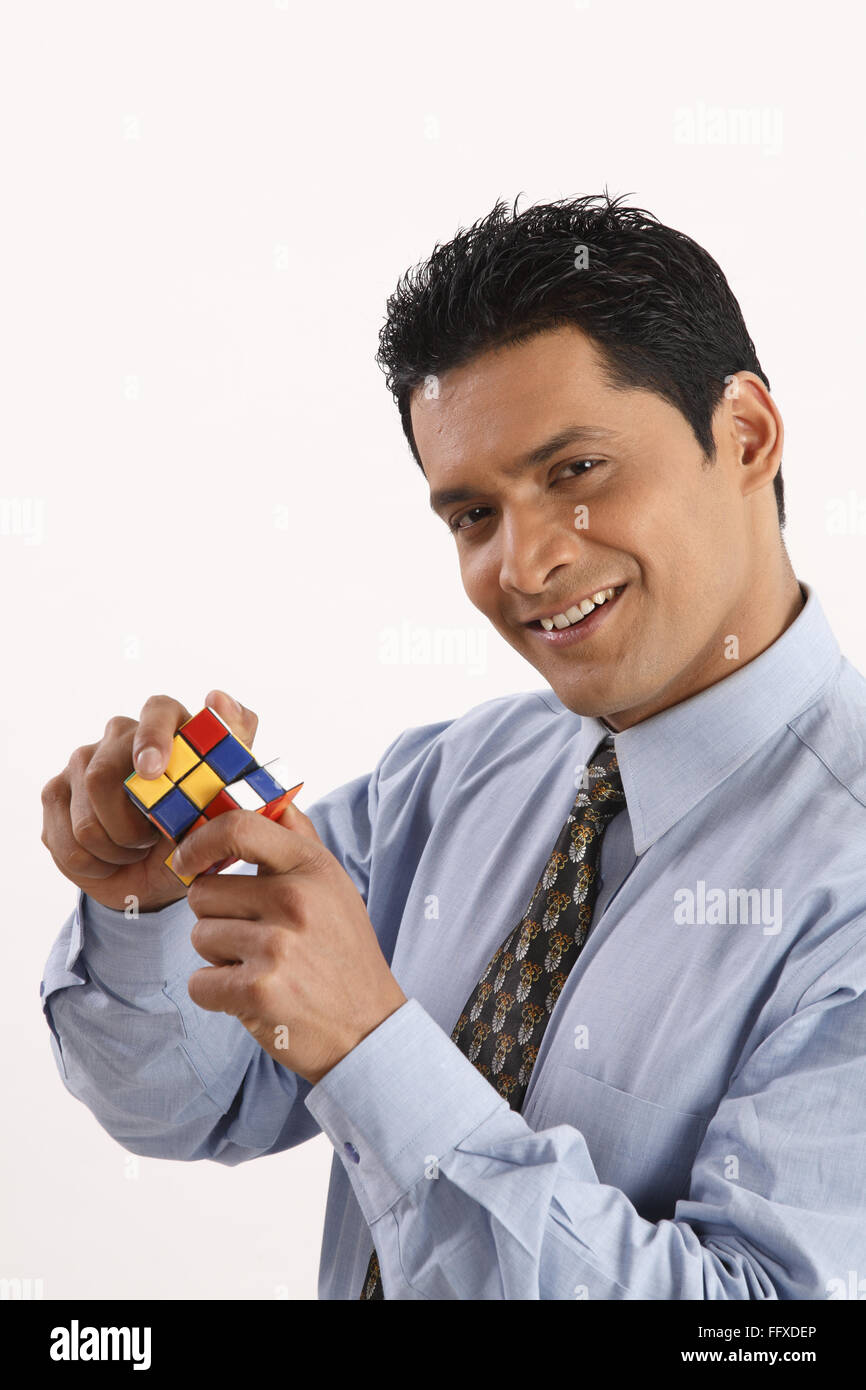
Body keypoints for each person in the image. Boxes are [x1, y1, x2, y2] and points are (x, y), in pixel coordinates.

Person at [40, 192, 866, 1300]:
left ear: (745, 435)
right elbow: (192, 1100)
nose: (521, 565)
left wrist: (370, 1046)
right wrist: (150, 906)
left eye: (574, 473)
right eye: (472, 514)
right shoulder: (447, 782)